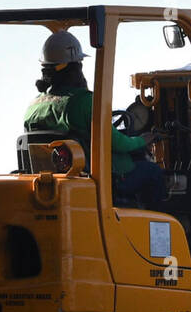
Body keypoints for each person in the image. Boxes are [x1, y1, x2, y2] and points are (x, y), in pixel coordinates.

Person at [23, 30, 166, 208]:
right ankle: (156, 232)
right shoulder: (83, 102)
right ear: (74, 68)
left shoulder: (33, 107)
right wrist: (141, 140)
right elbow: (118, 143)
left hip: (56, 182)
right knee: (153, 172)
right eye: (79, 64)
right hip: (103, 180)